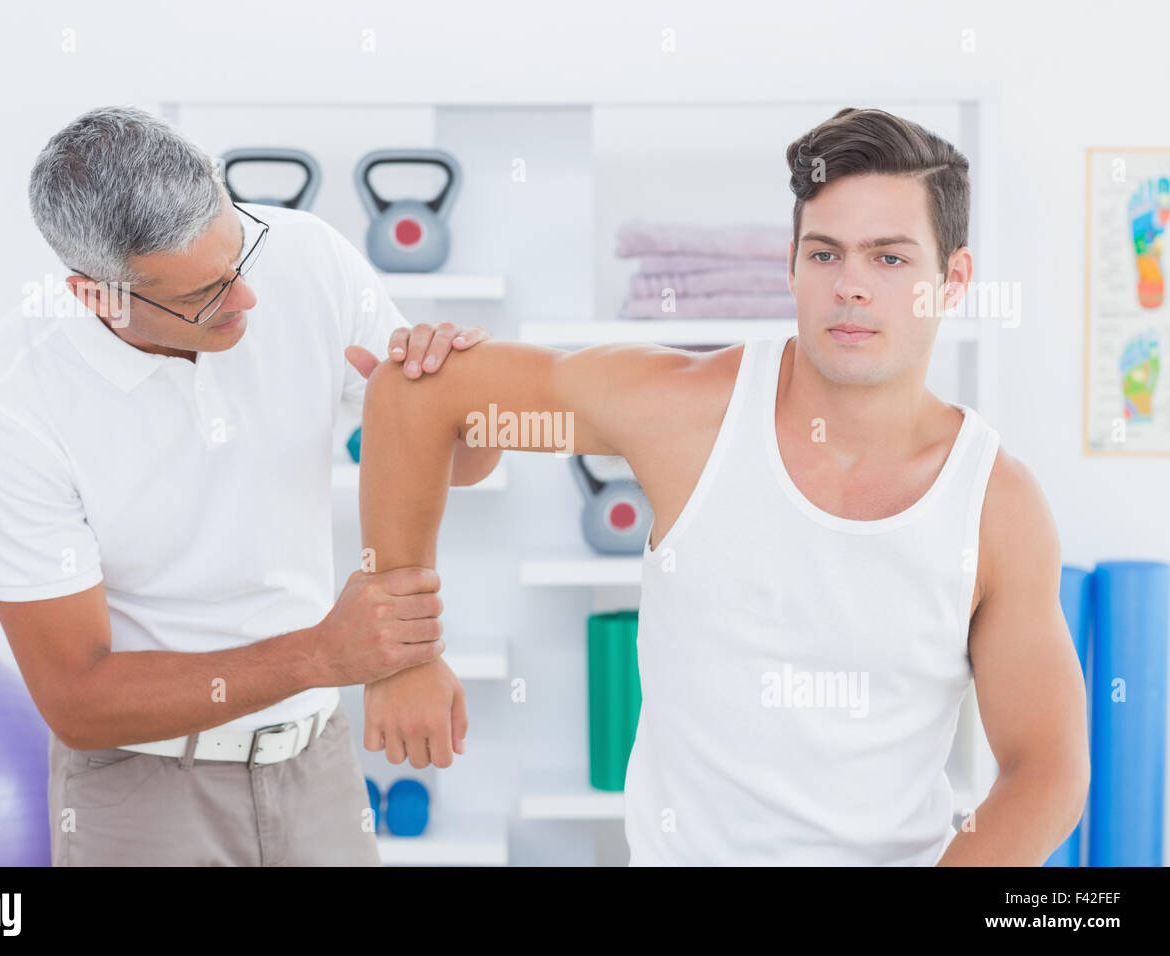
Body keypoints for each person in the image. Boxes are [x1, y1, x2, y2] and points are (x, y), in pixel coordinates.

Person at [353, 107, 1090, 865]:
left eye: (890, 260)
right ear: (792, 266)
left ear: (953, 279)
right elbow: (419, 394)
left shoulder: (995, 506)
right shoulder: (686, 412)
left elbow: (1048, 767)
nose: (851, 288)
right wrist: (402, 654)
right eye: (825, 254)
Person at [0, 105, 498, 866]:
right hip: (141, 789)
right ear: (98, 297)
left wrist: (461, 402)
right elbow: (78, 701)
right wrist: (323, 657)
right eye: (202, 295)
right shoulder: (15, 404)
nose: (245, 298)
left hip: (319, 762)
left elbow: (468, 464)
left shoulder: (308, 258)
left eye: (240, 253)